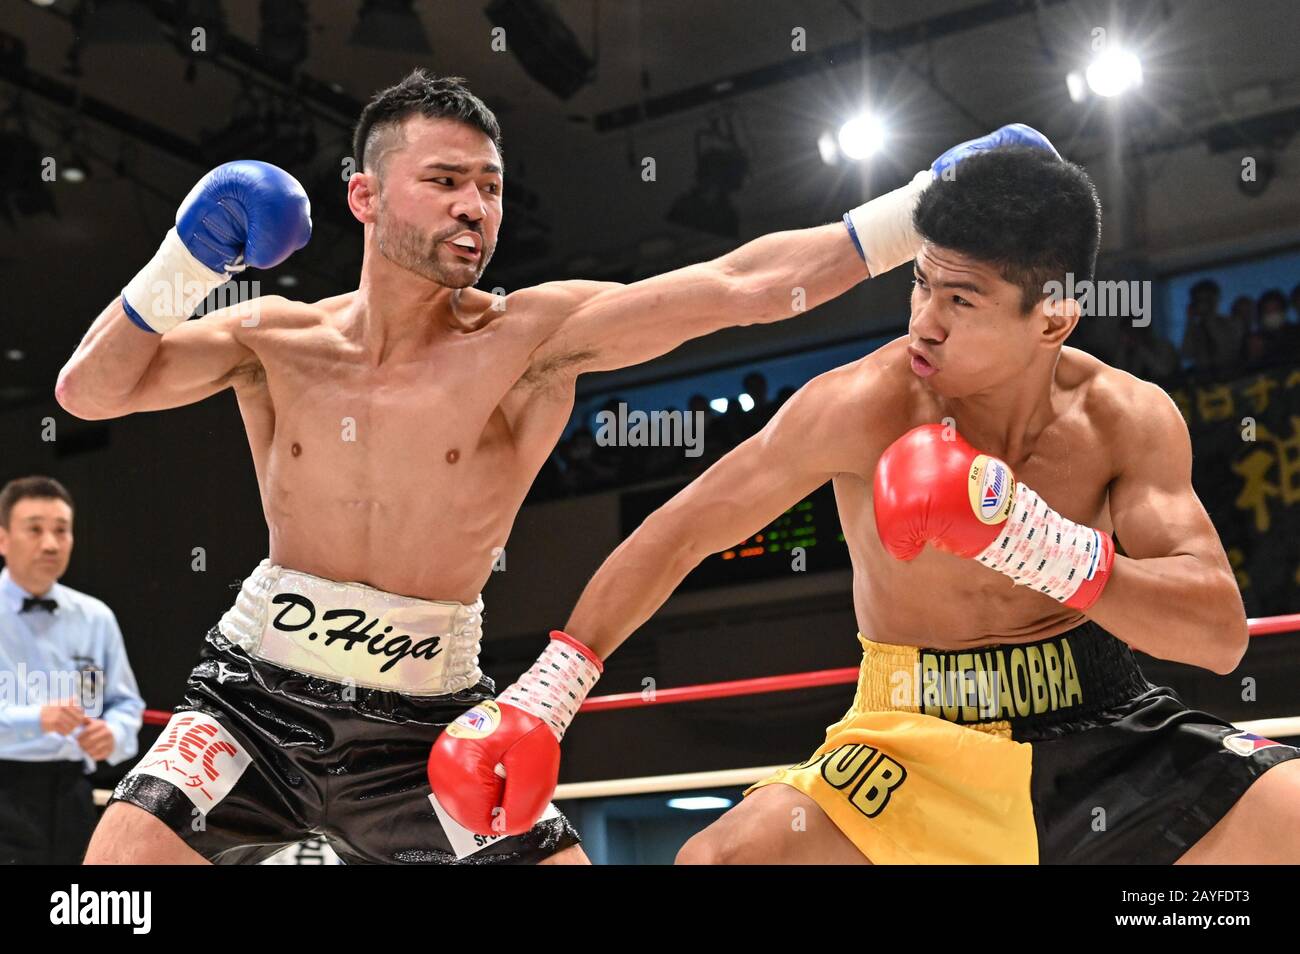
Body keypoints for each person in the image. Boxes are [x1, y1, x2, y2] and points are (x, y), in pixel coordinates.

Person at [55, 71, 1000, 864]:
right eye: (447, 180)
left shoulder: (529, 340)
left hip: (428, 725)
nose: (476, 206)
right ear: (366, 196)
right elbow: (90, 394)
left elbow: (742, 289)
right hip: (251, 701)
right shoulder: (276, 337)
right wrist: (187, 257)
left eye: (492, 187)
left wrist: (921, 208)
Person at [446, 145, 1300, 863]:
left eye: (961, 300)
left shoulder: (1125, 418)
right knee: (717, 861)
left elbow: (1218, 635)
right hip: (908, 739)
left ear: (1054, 319)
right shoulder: (862, 405)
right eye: (922, 284)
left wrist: (1035, 542)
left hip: (1106, 724)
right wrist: (545, 697)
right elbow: (680, 532)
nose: (924, 321)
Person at [0, 476, 144, 864]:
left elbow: (126, 704)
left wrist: (111, 735)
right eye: (34, 529)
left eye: (61, 530)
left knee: (76, 908)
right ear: (3, 539)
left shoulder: (96, 617)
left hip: (72, 792)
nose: (50, 543)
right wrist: (37, 719)